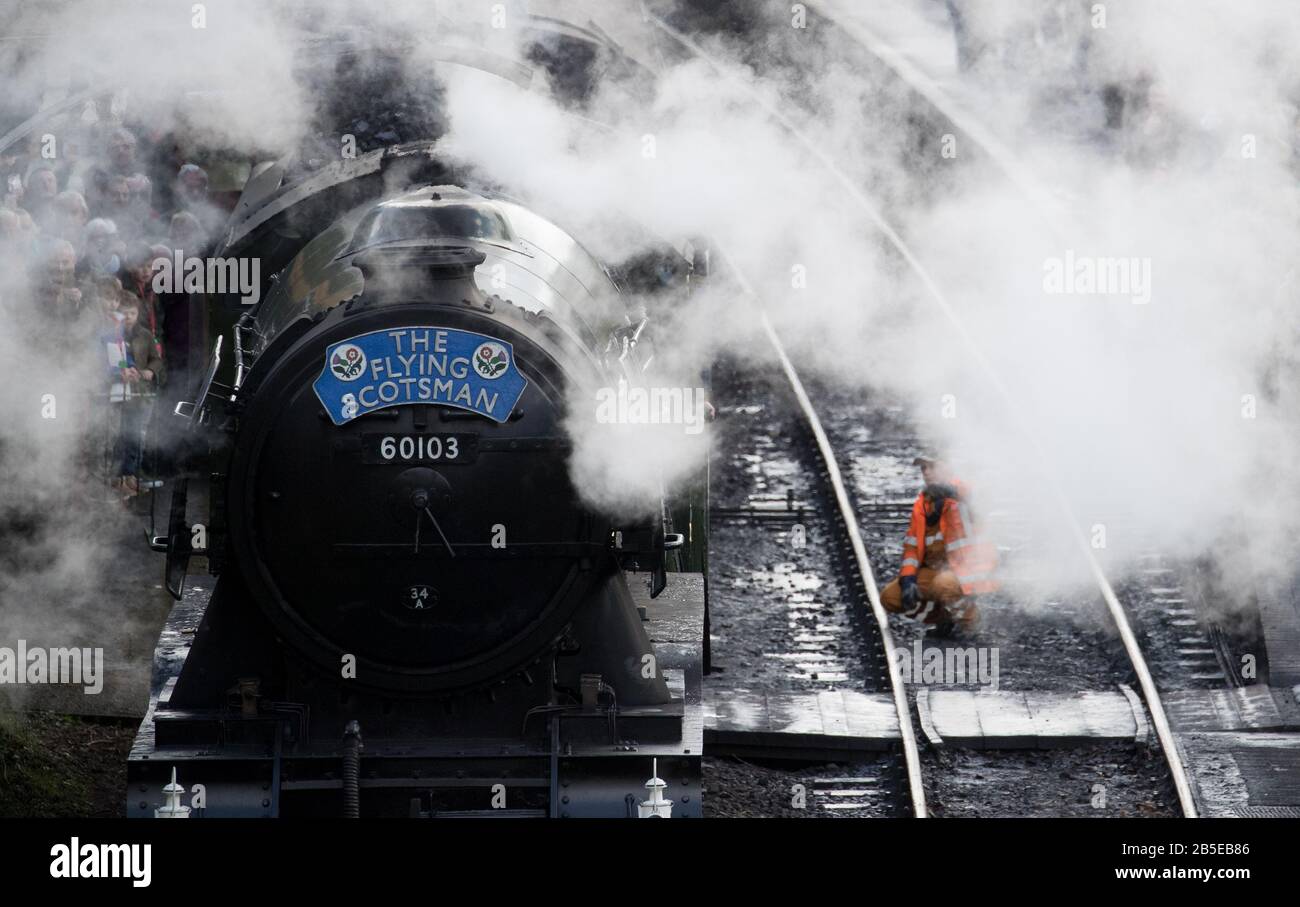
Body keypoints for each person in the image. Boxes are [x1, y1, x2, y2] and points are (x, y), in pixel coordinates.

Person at [880, 454, 999, 636]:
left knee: (943, 584)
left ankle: (970, 623)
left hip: (970, 569)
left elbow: (973, 497)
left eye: (932, 467)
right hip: (939, 570)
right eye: (923, 468)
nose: (926, 472)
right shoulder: (922, 505)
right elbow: (912, 547)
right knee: (891, 598)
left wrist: (952, 494)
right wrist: (908, 579)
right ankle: (945, 619)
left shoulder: (960, 494)